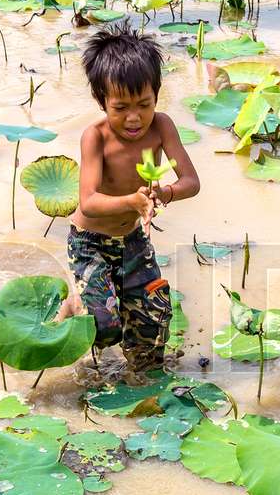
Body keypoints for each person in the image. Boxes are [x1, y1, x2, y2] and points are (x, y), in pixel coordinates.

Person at [65, 22, 199, 378]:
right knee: (104, 324)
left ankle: (141, 380)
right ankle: (75, 301)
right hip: (89, 241)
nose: (135, 117)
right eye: (121, 107)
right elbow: (89, 201)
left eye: (145, 104)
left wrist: (165, 193)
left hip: (132, 239)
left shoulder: (162, 127)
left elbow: (191, 182)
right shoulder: (95, 137)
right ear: (101, 102)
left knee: (153, 322)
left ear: (156, 94)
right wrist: (132, 201)